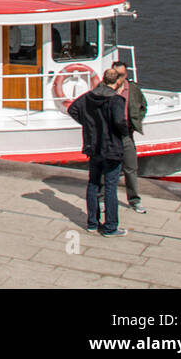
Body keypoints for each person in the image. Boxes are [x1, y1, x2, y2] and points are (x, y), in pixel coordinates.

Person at [68, 67, 130, 236]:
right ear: (117, 81)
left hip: (93, 146)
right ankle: (110, 226)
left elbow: (72, 109)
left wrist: (88, 124)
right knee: (110, 186)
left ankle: (92, 223)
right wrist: (124, 132)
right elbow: (119, 121)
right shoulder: (116, 100)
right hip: (111, 147)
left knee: (93, 183)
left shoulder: (89, 96)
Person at [112, 60, 148, 215]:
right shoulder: (106, 89)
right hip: (110, 136)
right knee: (106, 168)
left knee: (131, 168)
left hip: (126, 134)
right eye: (115, 75)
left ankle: (134, 200)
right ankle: (101, 199)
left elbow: (143, 106)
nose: (119, 78)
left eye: (121, 75)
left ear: (126, 74)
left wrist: (135, 122)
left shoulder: (133, 89)